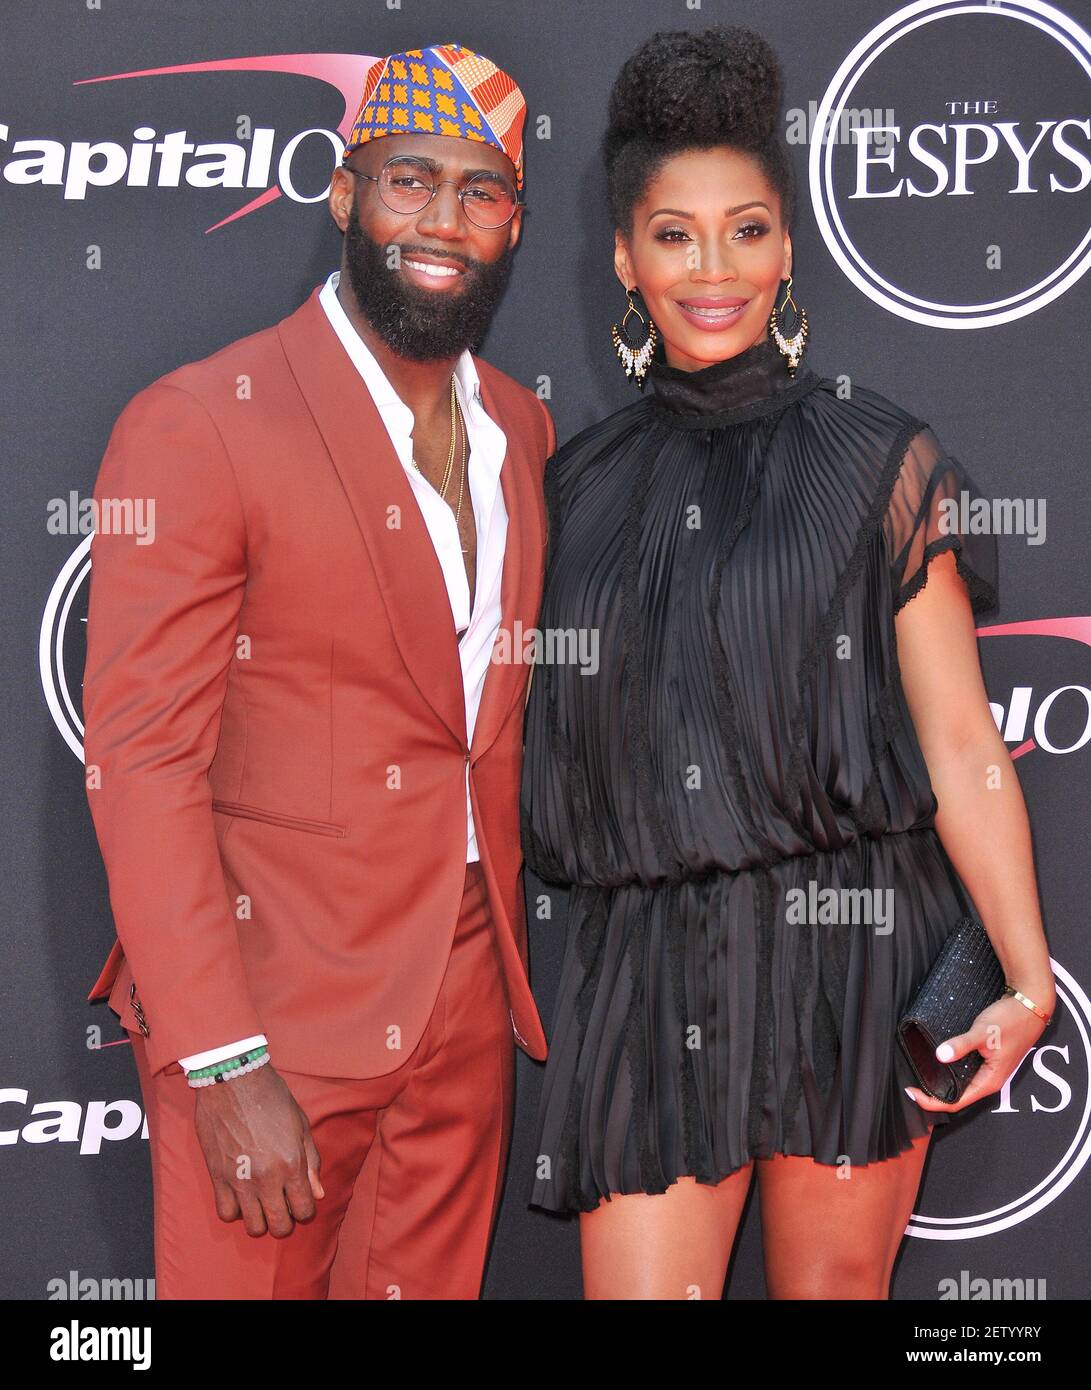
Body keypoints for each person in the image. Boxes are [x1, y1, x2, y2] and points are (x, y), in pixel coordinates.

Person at [519, 26, 1055, 1300]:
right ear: (620, 258)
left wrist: (1027, 978)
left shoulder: (881, 461)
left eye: (746, 229)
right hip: (645, 967)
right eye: (673, 233)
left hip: (849, 948)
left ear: (788, 248)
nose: (714, 268)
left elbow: (959, 743)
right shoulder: (570, 488)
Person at [83, 41, 554, 1300]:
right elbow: (142, 762)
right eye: (408, 178)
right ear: (343, 193)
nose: (441, 219)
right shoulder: (203, 420)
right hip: (273, 1016)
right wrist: (221, 1060)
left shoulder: (520, 425)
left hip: (462, 1015)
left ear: (514, 221)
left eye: (480, 190)